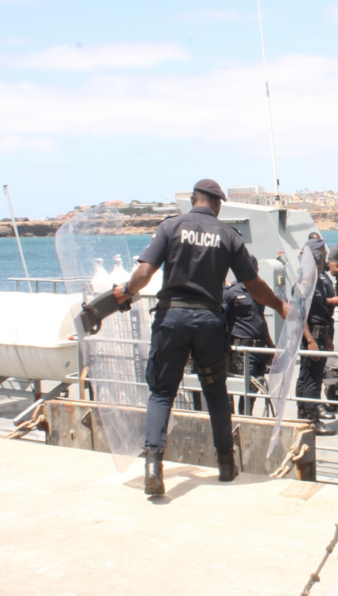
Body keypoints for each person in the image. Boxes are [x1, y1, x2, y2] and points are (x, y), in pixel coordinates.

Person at [115, 179, 289, 496]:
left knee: (162, 392)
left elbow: (144, 274)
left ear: (193, 199)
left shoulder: (170, 227)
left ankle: (153, 466)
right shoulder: (228, 235)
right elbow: (253, 284)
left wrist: (124, 292)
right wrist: (280, 306)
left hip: (172, 318)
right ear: (218, 203)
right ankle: (226, 464)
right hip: (209, 321)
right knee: (216, 392)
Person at [296, 239, 338, 436]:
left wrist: (326, 337)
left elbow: (320, 314)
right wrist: (310, 341)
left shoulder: (318, 280)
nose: (325, 257)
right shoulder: (304, 283)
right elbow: (301, 316)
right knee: (311, 378)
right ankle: (311, 419)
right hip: (310, 337)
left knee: (308, 376)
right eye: (322, 255)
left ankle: (303, 414)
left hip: (319, 334)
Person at [222, 256, 273, 416]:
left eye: (256, 269)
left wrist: (270, 345)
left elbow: (261, 318)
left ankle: (246, 415)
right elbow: (221, 319)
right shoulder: (231, 293)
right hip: (242, 349)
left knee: (256, 386)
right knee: (246, 388)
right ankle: (243, 418)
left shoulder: (260, 291)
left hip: (260, 348)